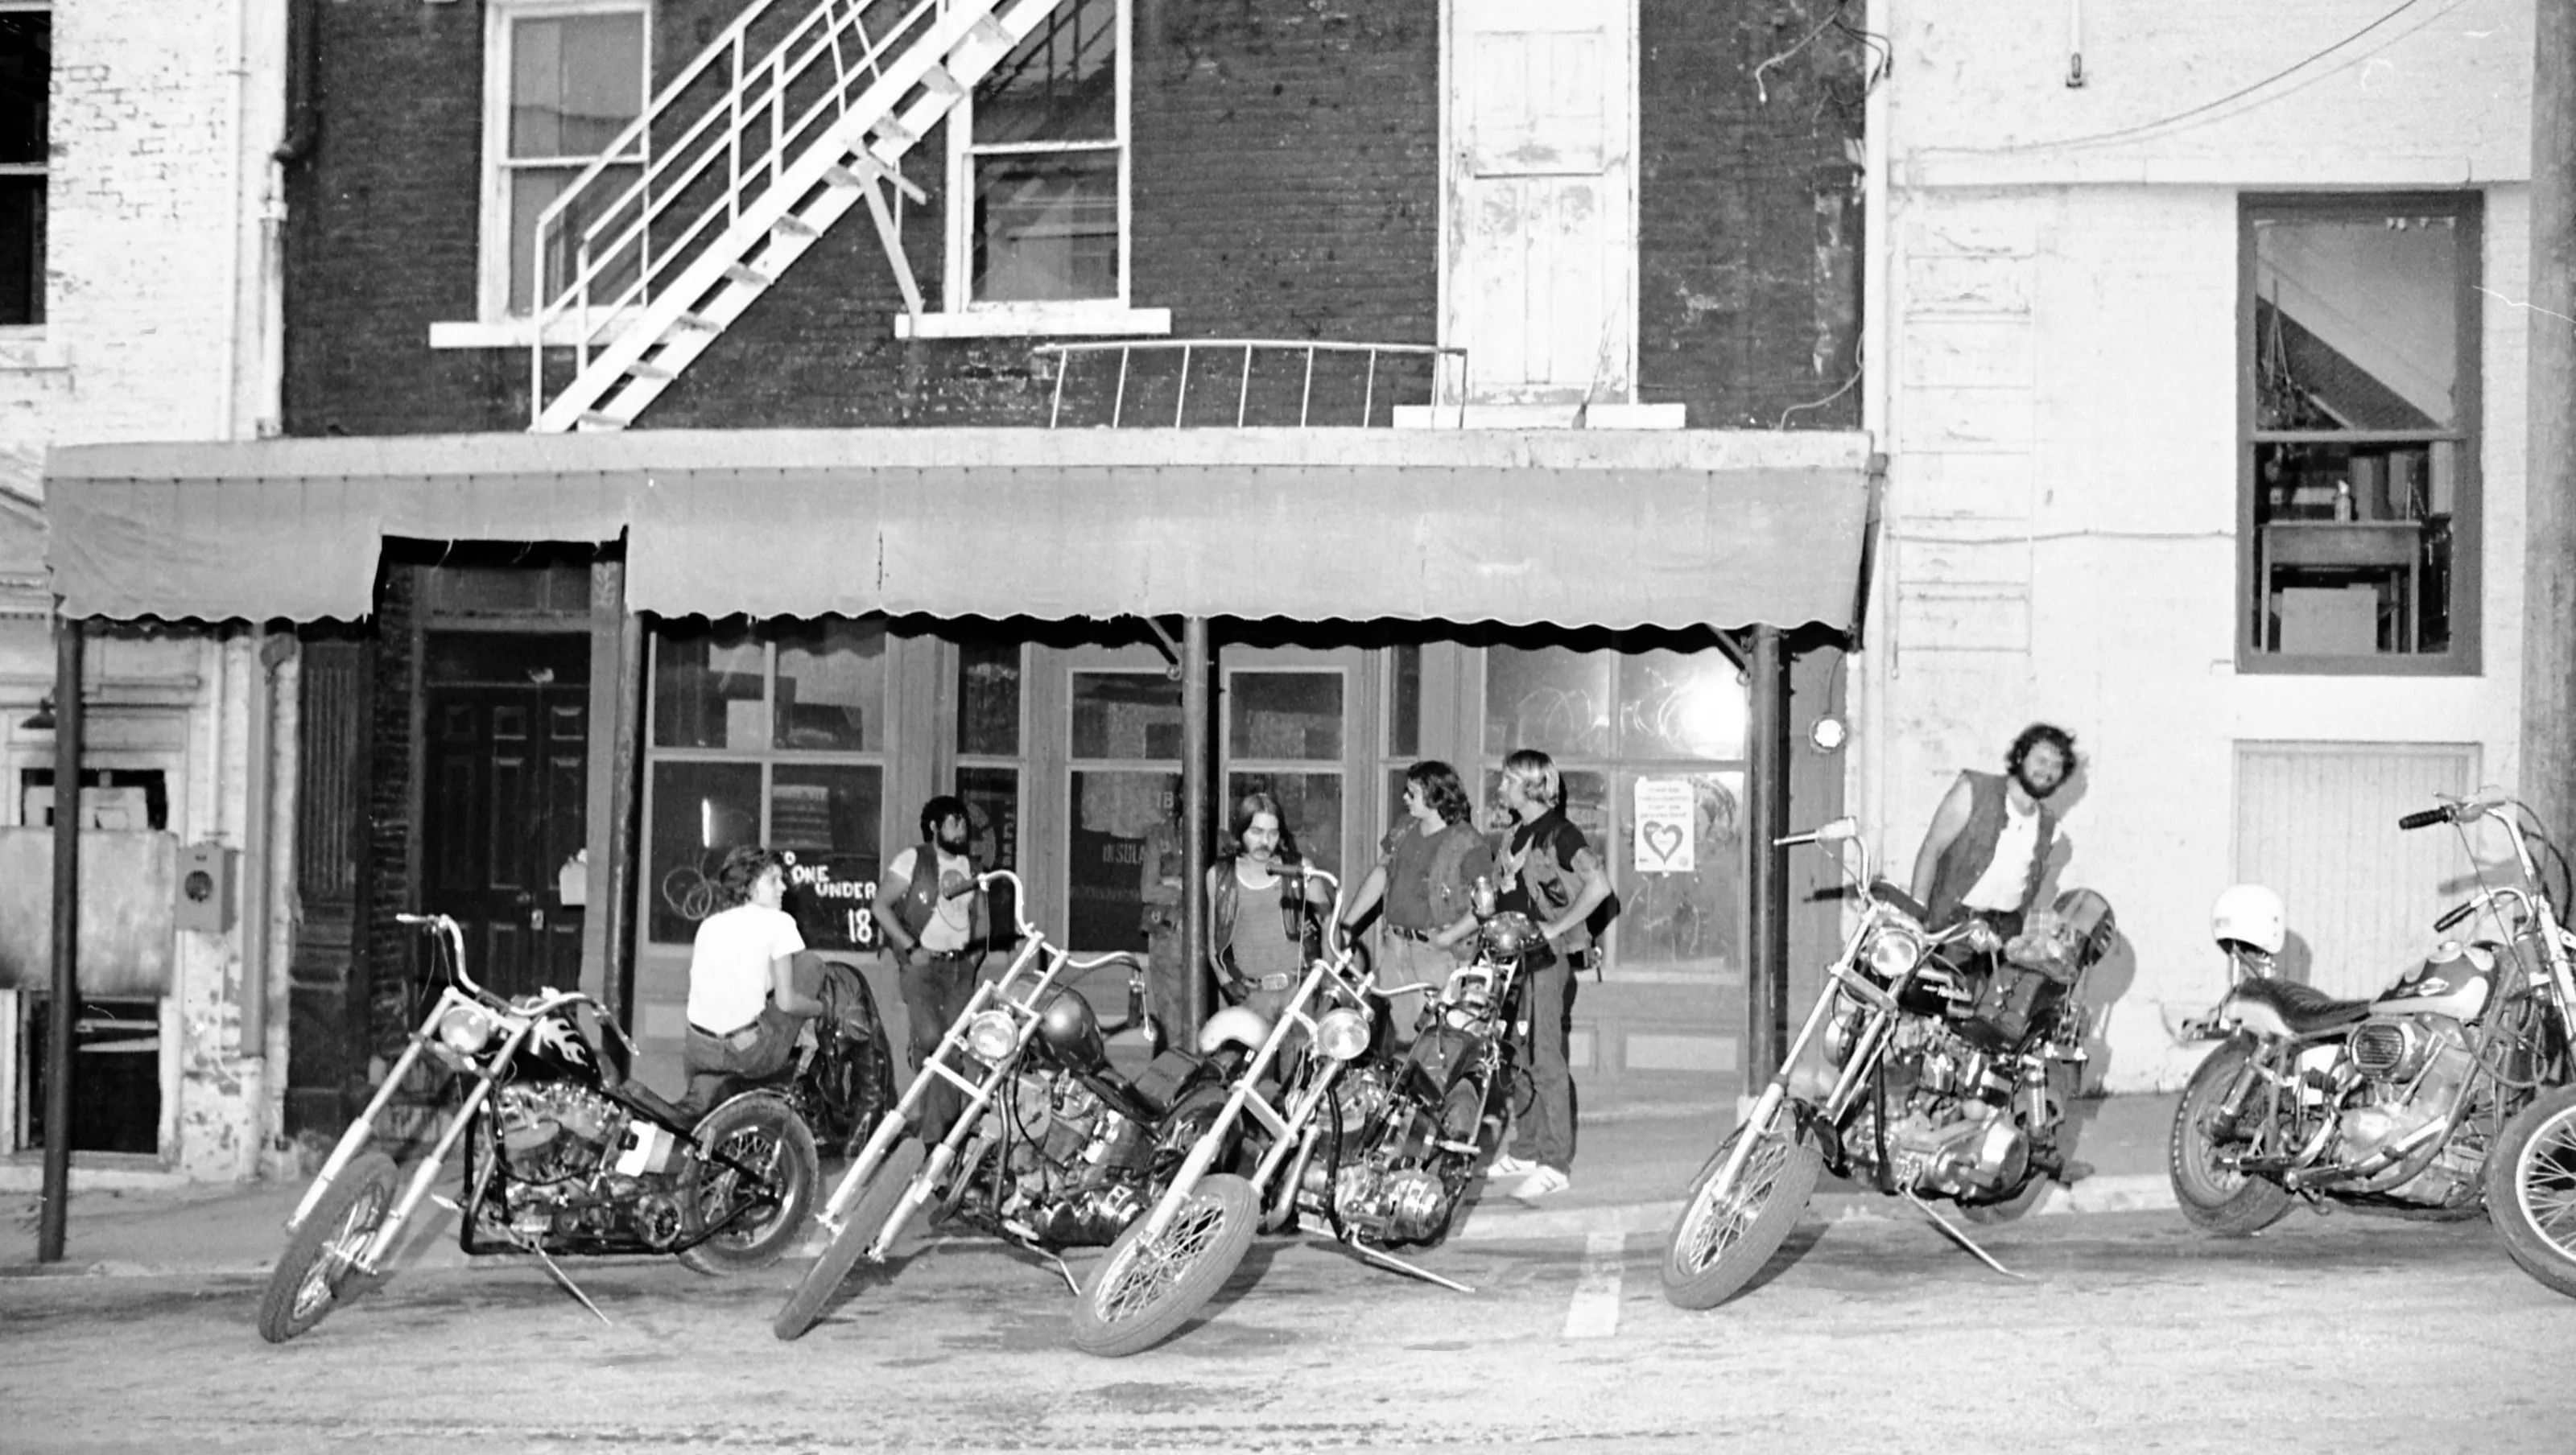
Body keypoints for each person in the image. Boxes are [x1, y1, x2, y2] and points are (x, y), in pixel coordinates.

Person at [1484, 749, 1612, 1202]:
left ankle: (1555, 1164)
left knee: (1546, 1061)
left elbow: (1599, 886)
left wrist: (1556, 927)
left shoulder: (1560, 834)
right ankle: (1526, 1148)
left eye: (1506, 780)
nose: (1500, 788)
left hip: (1545, 961)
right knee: (1515, 1058)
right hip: (1513, 961)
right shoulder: (1514, 834)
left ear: (1529, 785)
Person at [1337, 760, 1494, 1045]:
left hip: (1436, 956)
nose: (1404, 798)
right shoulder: (1404, 829)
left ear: (1436, 796)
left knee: (1437, 1041)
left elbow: (1485, 907)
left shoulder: (1469, 843)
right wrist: (1348, 924)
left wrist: (1446, 938)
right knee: (1393, 1040)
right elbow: (1381, 874)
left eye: (1412, 793)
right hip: (1395, 948)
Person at [874, 794, 990, 1145]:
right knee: (930, 1039)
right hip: (921, 969)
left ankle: (940, 1138)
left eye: (964, 823)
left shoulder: (973, 868)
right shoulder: (913, 859)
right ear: (934, 827)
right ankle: (941, 1126)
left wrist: (974, 957)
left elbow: (982, 916)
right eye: (954, 822)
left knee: (952, 1049)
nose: (961, 829)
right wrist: (910, 948)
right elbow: (881, 906)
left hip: (959, 970)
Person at [683, 846, 825, 1114]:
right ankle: (806, 1080)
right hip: (746, 1054)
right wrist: (820, 1009)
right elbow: (786, 1002)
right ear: (749, 887)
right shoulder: (780, 922)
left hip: (697, 1050)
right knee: (810, 965)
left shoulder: (710, 925)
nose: (783, 887)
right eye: (773, 880)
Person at [1909, 722, 2078, 936]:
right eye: (2041, 760)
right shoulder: (1973, 790)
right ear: (2020, 757)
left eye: (2057, 765)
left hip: (2004, 937)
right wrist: (1916, 917)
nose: (2047, 771)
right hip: (1951, 927)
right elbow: (1931, 849)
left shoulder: (2050, 827)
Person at [1206, 791, 1332, 1028]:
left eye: (1273, 833)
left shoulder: (1300, 870)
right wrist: (1225, 981)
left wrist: (1326, 979)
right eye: (1256, 832)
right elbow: (1214, 943)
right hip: (1250, 994)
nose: (1265, 842)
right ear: (1241, 831)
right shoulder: (1221, 876)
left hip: (1297, 992)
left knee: (1297, 1063)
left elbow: (1328, 919)